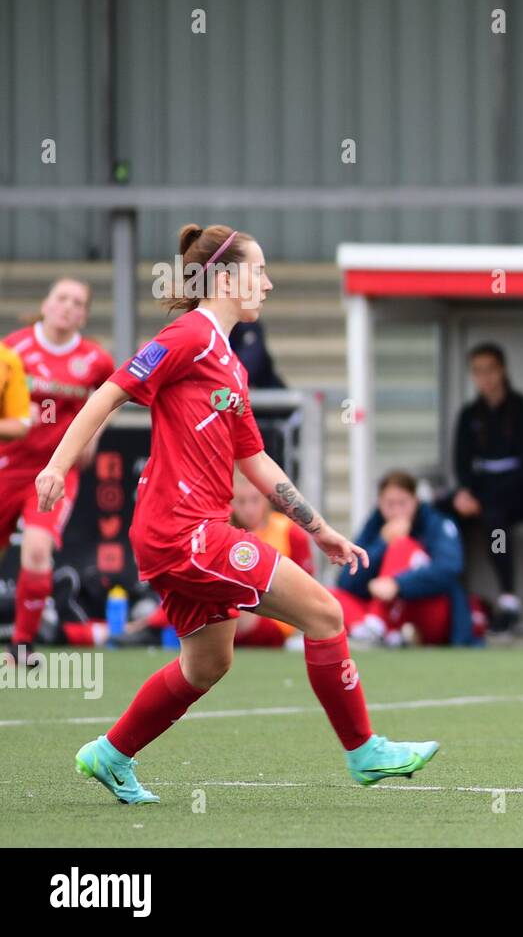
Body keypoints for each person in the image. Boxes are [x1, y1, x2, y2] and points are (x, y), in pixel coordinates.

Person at [36, 223, 438, 804]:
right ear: (225, 278)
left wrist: (320, 530)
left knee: (206, 664)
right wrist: (56, 465)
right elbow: (108, 393)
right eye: (260, 272)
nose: (268, 284)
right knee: (325, 614)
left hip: (188, 531)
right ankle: (364, 751)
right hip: (185, 532)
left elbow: (255, 461)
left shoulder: (231, 364)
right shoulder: (188, 335)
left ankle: (111, 753)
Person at [1, 278, 115, 667]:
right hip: (8, 465)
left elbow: (112, 395)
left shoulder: (95, 359)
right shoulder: (13, 348)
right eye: (62, 298)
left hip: (53, 471)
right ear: (46, 303)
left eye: (77, 302)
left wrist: (94, 436)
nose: (68, 307)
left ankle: (21, 646)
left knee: (36, 550)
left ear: (83, 314)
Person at [440, 342, 523, 632]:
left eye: (490, 370)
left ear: (502, 370)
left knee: (495, 520)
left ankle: (508, 599)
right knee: (439, 513)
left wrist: (483, 500)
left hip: (515, 490)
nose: (484, 378)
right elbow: (461, 461)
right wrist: (464, 493)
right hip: (477, 488)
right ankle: (447, 595)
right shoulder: (470, 414)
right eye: (477, 371)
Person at [336, 469, 477, 647]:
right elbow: (346, 581)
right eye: (390, 504)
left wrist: (398, 584)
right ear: (380, 503)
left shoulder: (438, 523)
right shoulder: (374, 526)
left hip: (431, 610)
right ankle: (381, 633)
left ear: (415, 502)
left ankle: (377, 626)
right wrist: (382, 543)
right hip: (392, 613)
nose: (396, 511)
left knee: (402, 546)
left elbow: (449, 568)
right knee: (332, 596)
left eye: (402, 503)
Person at [229, 471, 313, 648]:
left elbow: (305, 586)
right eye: (241, 502)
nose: (249, 510)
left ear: (266, 499)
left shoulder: (289, 531)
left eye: (255, 500)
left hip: (276, 618)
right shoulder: (225, 532)